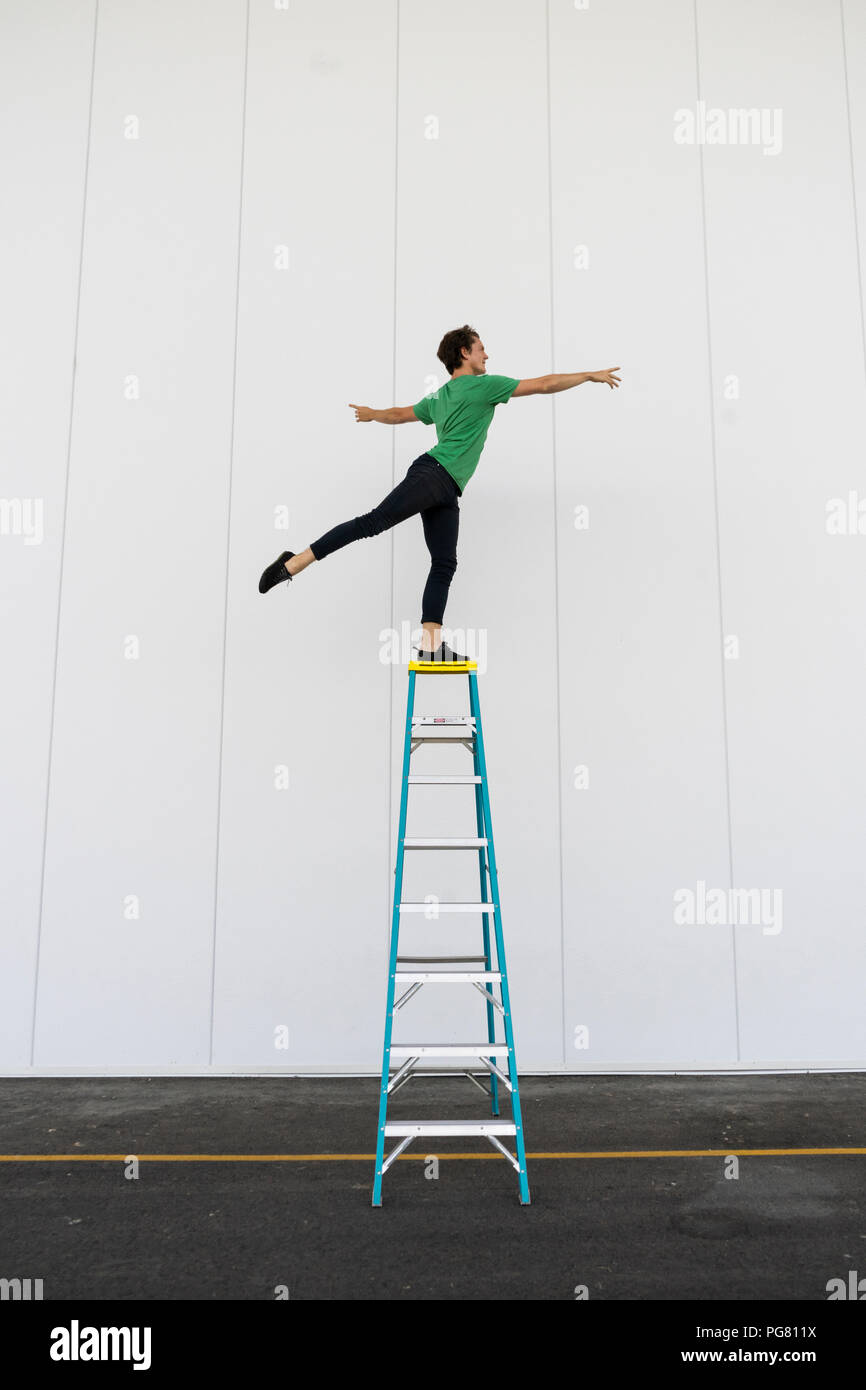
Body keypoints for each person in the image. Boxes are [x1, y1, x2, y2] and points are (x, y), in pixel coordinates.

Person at [259, 324, 620, 661]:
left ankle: (431, 645)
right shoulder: (484, 386)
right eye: (482, 349)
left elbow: (401, 414)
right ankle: (293, 563)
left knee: (445, 562)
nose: (487, 356)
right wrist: (587, 375)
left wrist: (373, 414)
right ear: (464, 352)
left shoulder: (441, 396)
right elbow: (543, 384)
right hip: (434, 475)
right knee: (373, 522)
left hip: (446, 488)